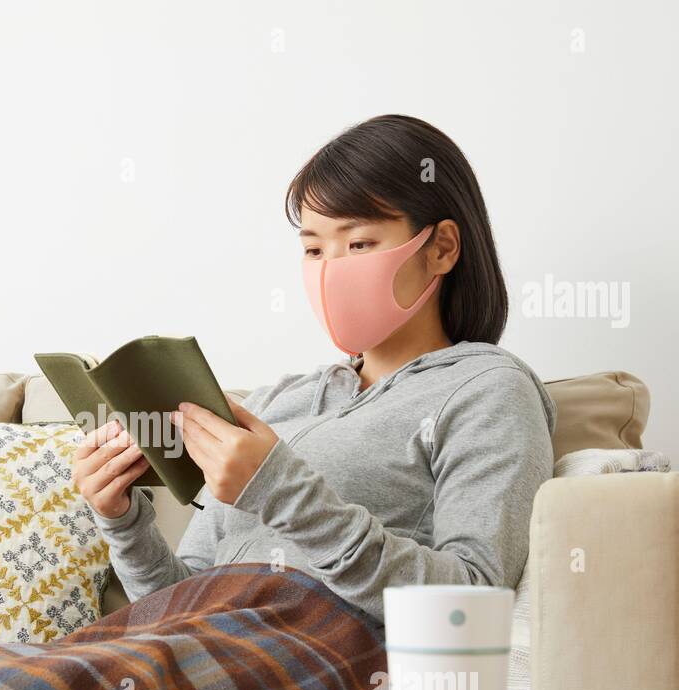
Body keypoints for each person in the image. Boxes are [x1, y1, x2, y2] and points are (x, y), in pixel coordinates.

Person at [74, 115, 556, 624]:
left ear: (440, 248)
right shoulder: (275, 402)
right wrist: (123, 522)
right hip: (189, 651)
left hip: (309, 661)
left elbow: (471, 606)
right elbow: (172, 609)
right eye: (312, 248)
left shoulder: (487, 389)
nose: (330, 269)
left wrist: (280, 488)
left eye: (360, 243)